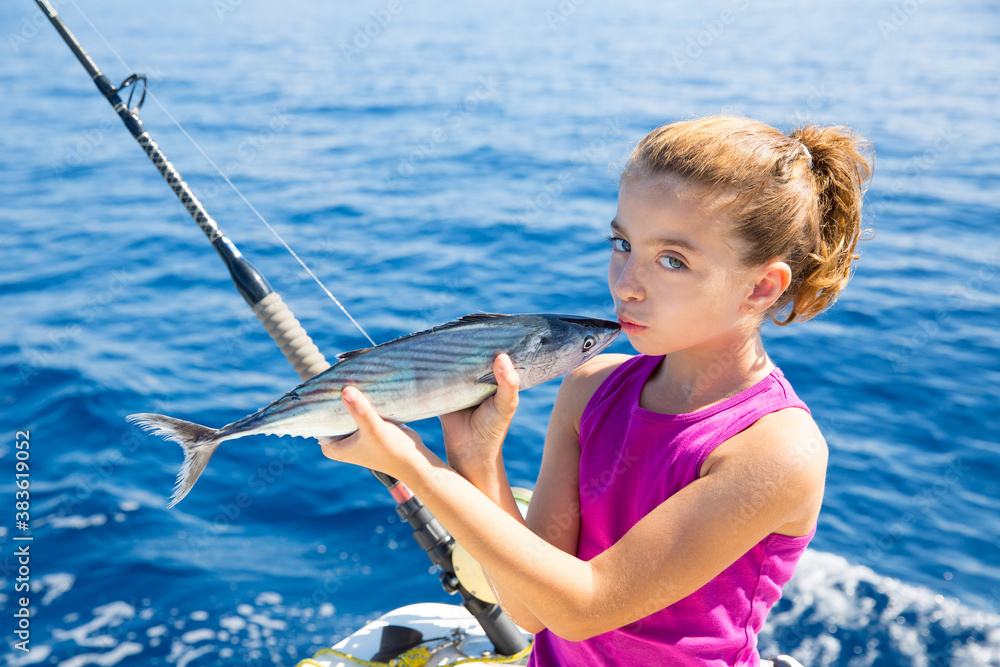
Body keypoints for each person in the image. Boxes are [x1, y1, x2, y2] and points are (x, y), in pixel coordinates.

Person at [319, 115, 873, 666]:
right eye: (622, 243)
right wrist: (473, 454)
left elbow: (585, 607)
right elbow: (530, 611)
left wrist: (416, 466)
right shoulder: (590, 387)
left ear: (761, 286)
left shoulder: (773, 448)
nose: (627, 283)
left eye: (672, 261)